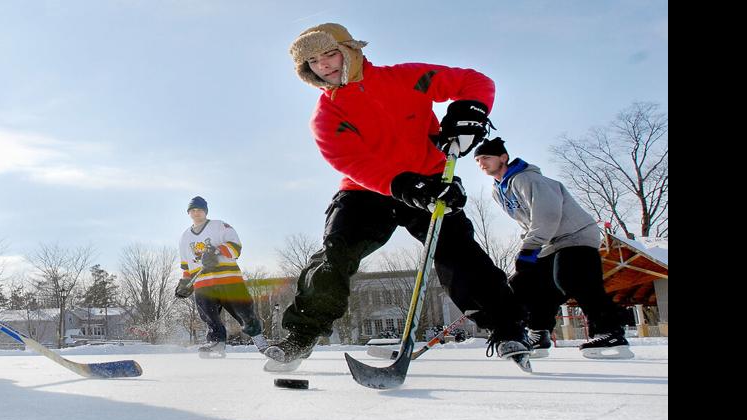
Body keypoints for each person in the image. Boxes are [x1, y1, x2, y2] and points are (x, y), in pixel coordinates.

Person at [267, 23, 532, 373]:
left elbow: (475, 82)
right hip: (366, 191)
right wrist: (402, 185)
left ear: (351, 50)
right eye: (313, 62)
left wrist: (469, 111)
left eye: (330, 54)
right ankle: (301, 336)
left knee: (458, 253)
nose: (324, 65)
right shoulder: (326, 115)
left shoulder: (405, 78)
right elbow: (351, 161)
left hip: (432, 182)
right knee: (335, 254)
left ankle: (508, 328)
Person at [472, 138, 632, 359]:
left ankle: (610, 331)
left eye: (486, 158)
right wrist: (526, 250)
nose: (481, 163)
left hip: (575, 234)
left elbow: (547, 215)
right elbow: (526, 221)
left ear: (503, 158)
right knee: (527, 284)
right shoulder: (498, 190)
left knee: (570, 277)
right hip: (549, 241)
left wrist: (530, 248)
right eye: (478, 160)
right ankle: (539, 333)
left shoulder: (527, 179)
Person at [176, 196, 266, 357]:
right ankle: (216, 342)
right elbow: (187, 265)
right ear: (189, 213)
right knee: (209, 316)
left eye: (200, 210)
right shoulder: (185, 237)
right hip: (203, 284)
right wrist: (185, 283)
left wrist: (216, 251)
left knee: (243, 311)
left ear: (205, 211)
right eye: (193, 210)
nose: (196, 213)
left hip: (228, 280)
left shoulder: (219, 226)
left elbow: (236, 247)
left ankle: (261, 342)